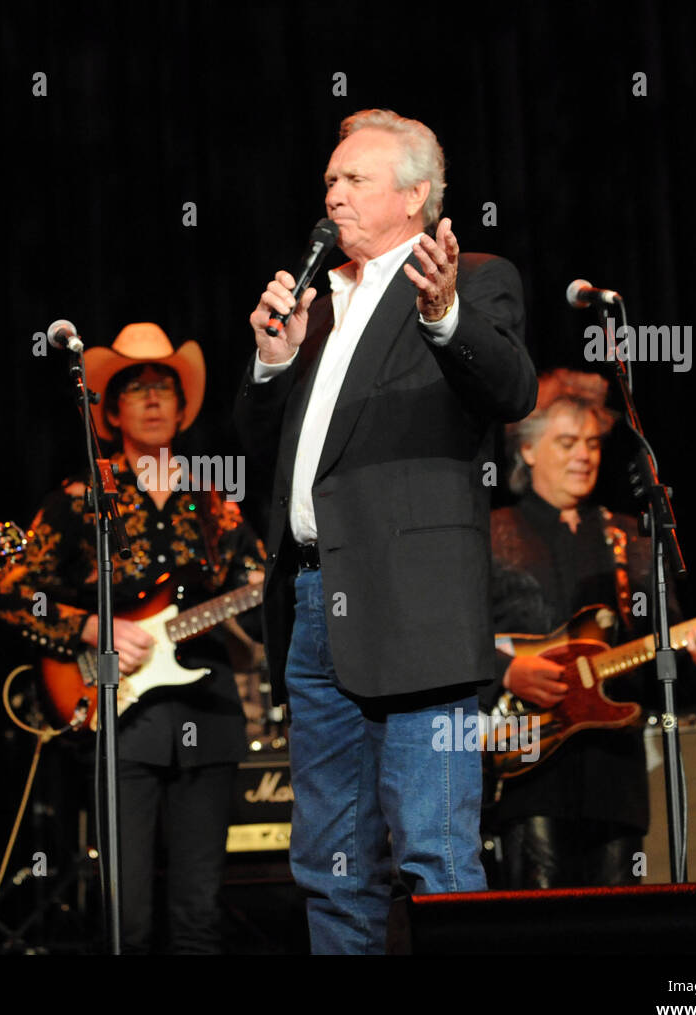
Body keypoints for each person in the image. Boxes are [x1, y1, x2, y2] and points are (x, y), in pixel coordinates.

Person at [236, 108, 538, 953]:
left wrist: (443, 314)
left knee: (435, 857)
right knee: (329, 865)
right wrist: (272, 360)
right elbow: (259, 442)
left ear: (414, 198)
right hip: (310, 605)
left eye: (353, 179)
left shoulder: (471, 279)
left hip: (415, 616)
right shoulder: (317, 304)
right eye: (329, 179)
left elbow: (512, 389)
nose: (332, 193)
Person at [0, 323, 266, 953]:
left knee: (199, 915)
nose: (152, 398)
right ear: (111, 411)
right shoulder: (80, 497)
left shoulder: (212, 498)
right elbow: (9, 593)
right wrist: (89, 624)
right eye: (136, 388)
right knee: (126, 919)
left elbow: (259, 585)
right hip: (121, 720)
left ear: (182, 406)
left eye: (164, 388)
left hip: (209, 713)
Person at [485, 368, 696, 888]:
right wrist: (506, 672)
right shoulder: (490, 536)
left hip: (615, 778)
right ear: (527, 452)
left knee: (618, 926)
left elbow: (670, 658)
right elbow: (449, 639)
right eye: (567, 442)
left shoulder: (631, 540)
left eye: (593, 443)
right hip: (528, 774)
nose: (584, 455)